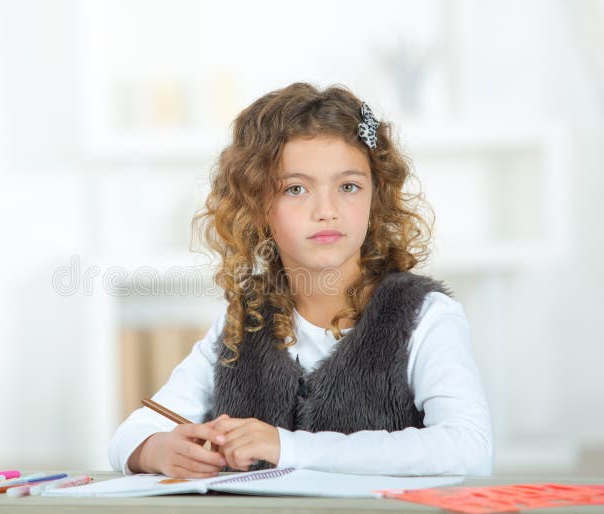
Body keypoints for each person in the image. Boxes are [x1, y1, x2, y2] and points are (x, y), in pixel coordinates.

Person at [108, 82, 494, 479]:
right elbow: (131, 434)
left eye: (348, 187)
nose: (326, 210)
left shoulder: (427, 318)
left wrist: (286, 446)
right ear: (256, 207)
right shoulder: (242, 324)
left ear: (375, 198)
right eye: (296, 189)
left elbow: (469, 448)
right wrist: (156, 450)